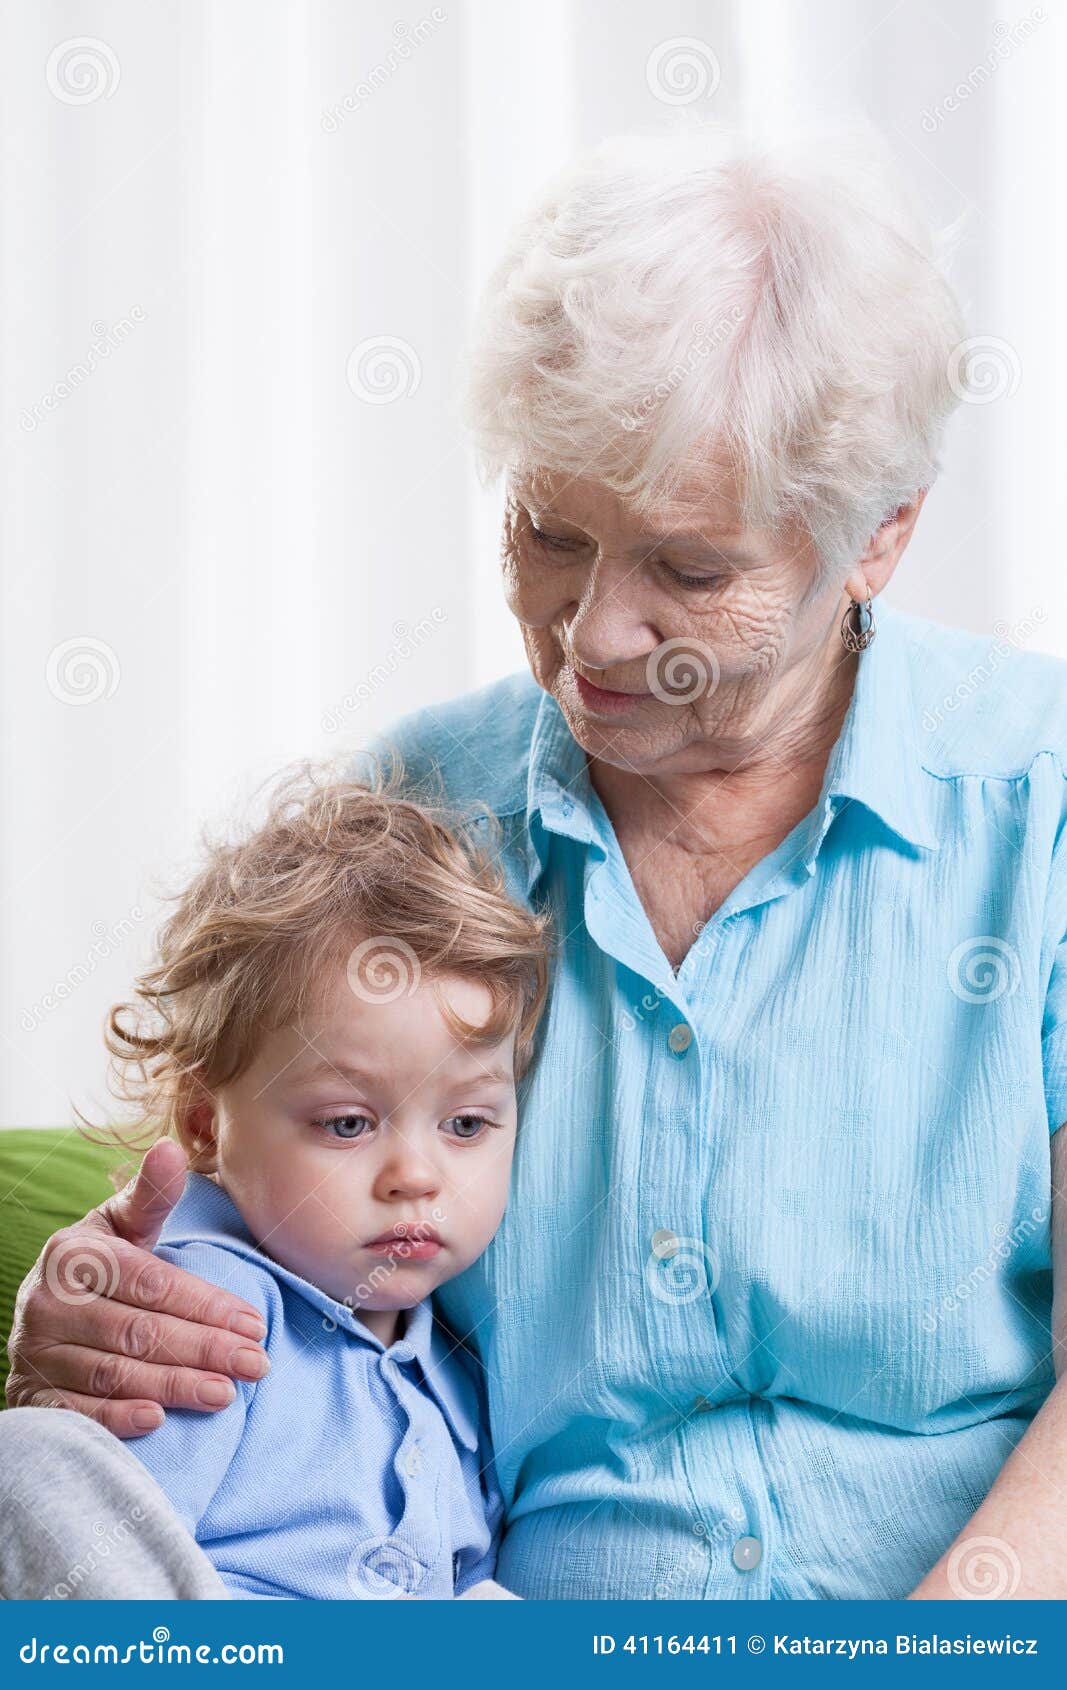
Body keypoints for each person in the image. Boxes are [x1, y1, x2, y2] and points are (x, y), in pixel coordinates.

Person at [8, 119, 1067, 1601]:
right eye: (547, 535)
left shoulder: (1038, 804)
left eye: (687, 570)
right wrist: (97, 1302)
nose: (589, 636)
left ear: (877, 538)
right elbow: (245, 1189)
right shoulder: (412, 818)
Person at [1, 767, 549, 1599]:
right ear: (203, 1124)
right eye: (347, 1124)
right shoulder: (203, 1304)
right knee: (37, 1462)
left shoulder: (456, 1375)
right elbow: (108, 1543)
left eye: (466, 1124)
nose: (415, 1176)